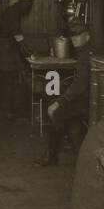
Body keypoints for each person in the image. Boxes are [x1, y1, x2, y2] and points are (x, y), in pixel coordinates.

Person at [36, 21, 91, 166]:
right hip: (88, 96)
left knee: (55, 109)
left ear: (87, 37)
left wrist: (60, 101)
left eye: (78, 36)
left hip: (88, 100)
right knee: (63, 111)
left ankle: (51, 156)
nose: (74, 39)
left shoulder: (84, 56)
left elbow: (80, 85)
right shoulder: (85, 52)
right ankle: (79, 153)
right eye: (72, 37)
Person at [0, 0, 34, 117]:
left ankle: (8, 108)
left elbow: (17, 35)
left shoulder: (15, 10)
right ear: (24, 3)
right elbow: (17, 34)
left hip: (6, 47)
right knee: (7, 78)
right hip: (3, 48)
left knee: (9, 77)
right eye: (29, 5)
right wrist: (28, 52)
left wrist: (25, 50)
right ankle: (6, 110)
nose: (29, 9)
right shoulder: (14, 12)